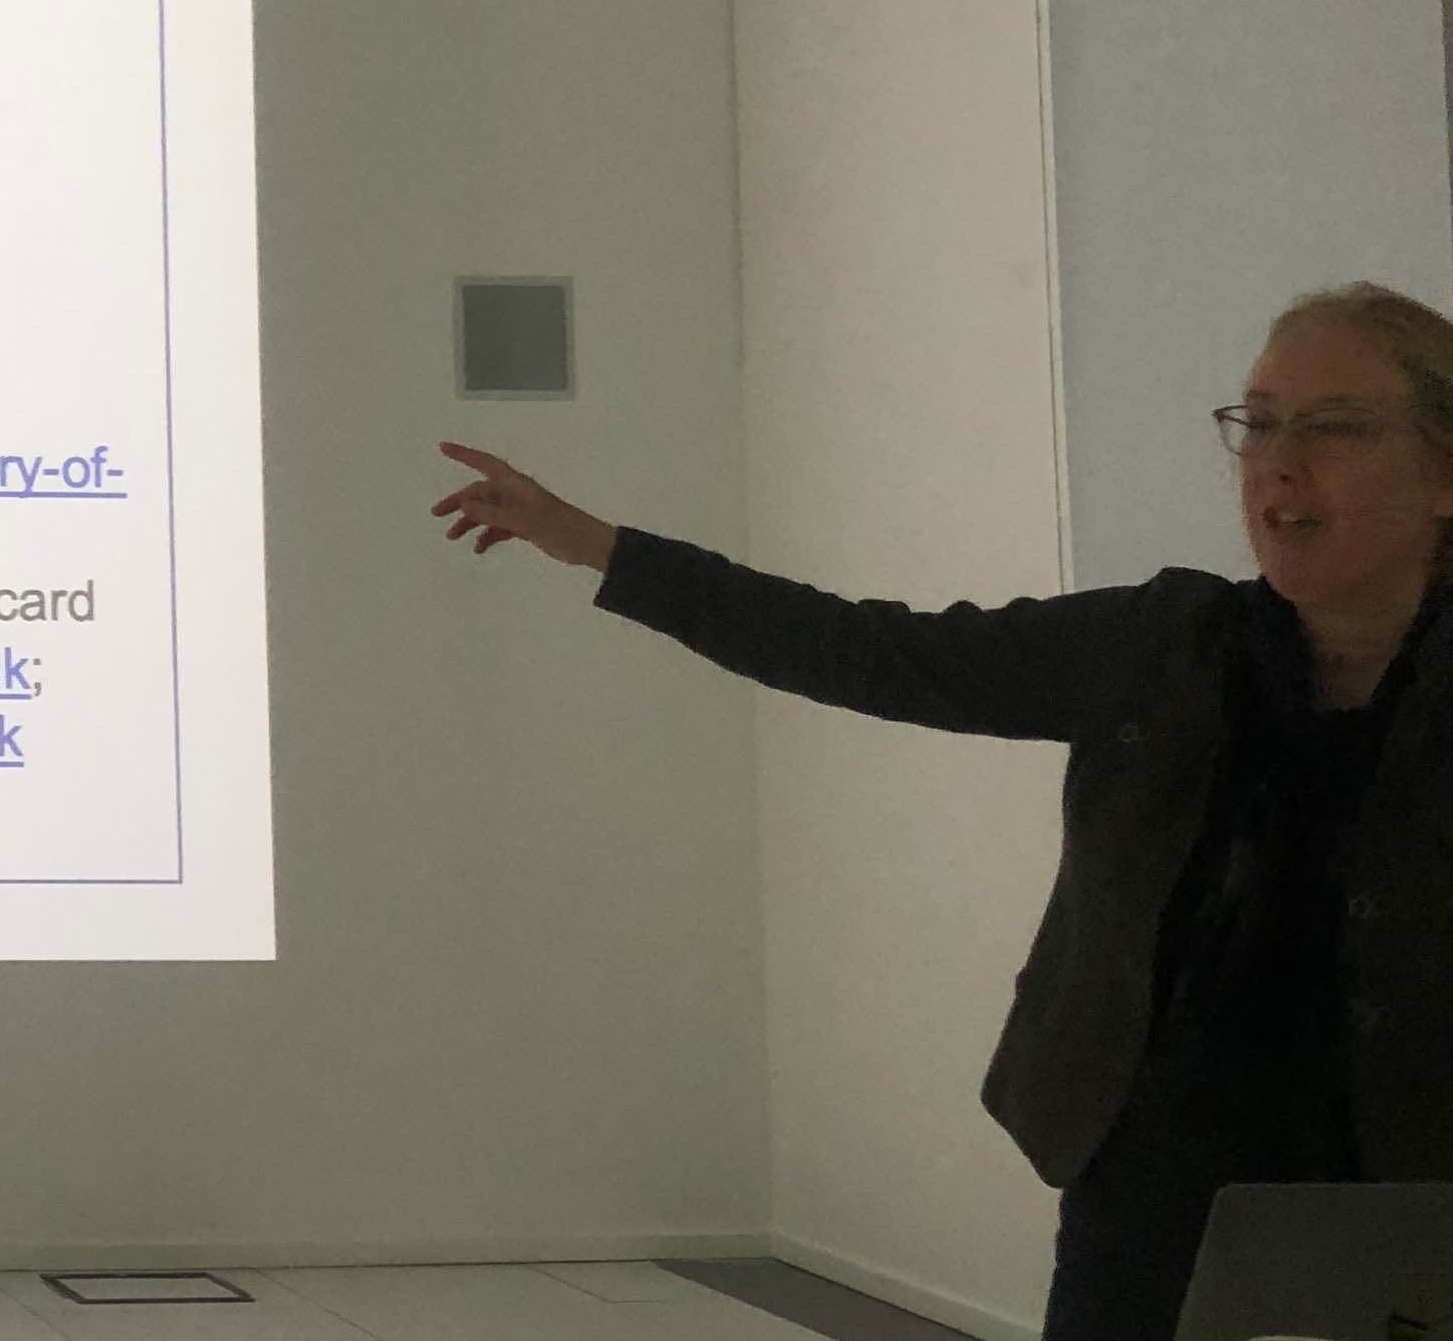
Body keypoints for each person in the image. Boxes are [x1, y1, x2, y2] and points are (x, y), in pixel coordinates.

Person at [431, 283, 1453, 1341]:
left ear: (1444, 473)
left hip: (1412, 1189)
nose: (1277, 464)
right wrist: (600, 547)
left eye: (1336, 427)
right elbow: (872, 652)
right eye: (1260, 424)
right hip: (1150, 1188)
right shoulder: (1159, 648)